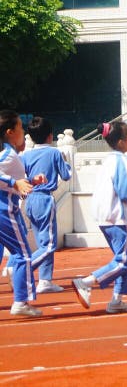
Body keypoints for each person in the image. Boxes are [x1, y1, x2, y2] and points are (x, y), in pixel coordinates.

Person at [71, 121, 127, 314]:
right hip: (117, 216)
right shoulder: (123, 161)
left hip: (105, 216)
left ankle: (117, 299)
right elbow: (126, 192)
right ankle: (86, 282)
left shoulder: (108, 160)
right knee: (124, 261)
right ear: (121, 142)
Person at [17, 116, 72, 293]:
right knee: (49, 245)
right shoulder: (54, 153)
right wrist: (66, 163)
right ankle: (22, 270)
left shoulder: (26, 155)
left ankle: (45, 280)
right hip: (45, 199)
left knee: (43, 241)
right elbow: (66, 175)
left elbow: (22, 177)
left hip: (30, 199)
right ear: (50, 136)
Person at [0, 110, 46, 316]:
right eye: (20, 128)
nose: (23, 132)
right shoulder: (8, 155)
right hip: (5, 211)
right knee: (23, 254)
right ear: (10, 132)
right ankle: (21, 302)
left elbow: (17, 182)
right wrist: (15, 182)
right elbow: (9, 180)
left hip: (7, 207)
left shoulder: (8, 153)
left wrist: (30, 182)